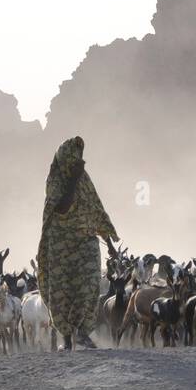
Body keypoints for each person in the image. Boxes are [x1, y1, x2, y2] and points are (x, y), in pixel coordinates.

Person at [34, 136, 118, 350]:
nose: (77, 160)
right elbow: (61, 208)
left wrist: (108, 242)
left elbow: (95, 209)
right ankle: (68, 338)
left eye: (79, 156)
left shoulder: (84, 180)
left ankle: (83, 332)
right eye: (73, 156)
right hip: (60, 247)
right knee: (63, 291)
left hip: (86, 241)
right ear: (63, 158)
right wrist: (72, 180)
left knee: (90, 284)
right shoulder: (56, 181)